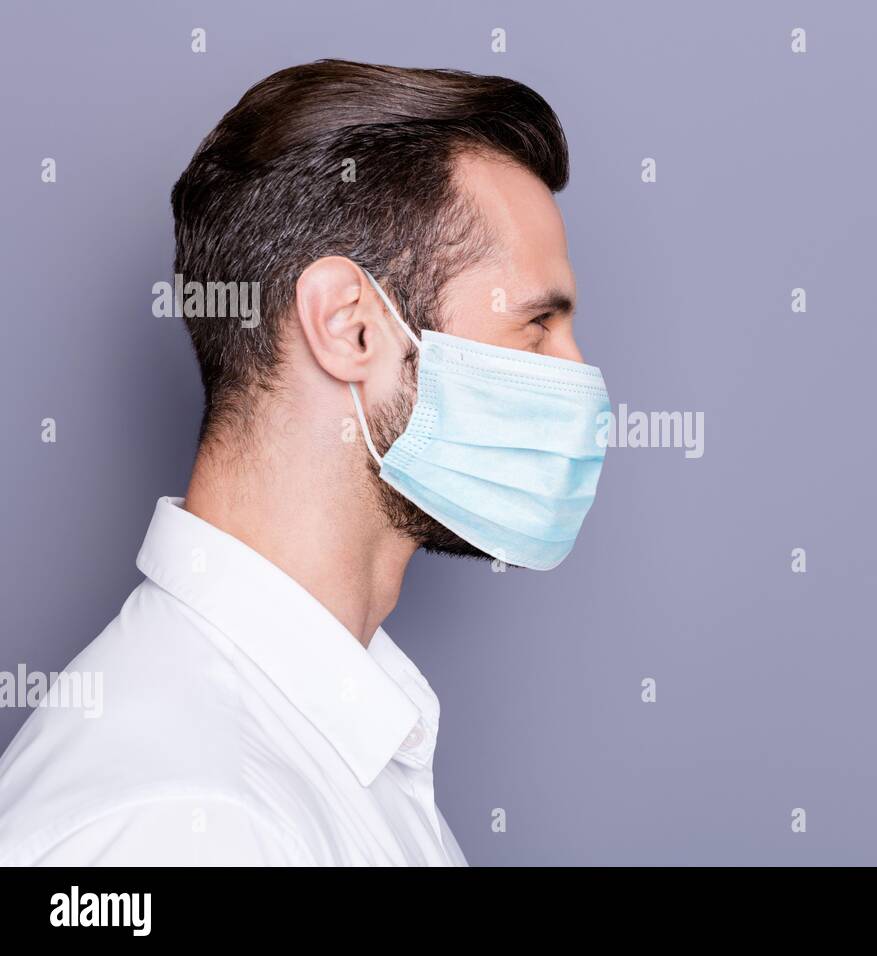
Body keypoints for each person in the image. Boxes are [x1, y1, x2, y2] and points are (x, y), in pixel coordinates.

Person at [0, 60, 609, 865]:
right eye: (537, 326)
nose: (578, 378)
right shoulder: (183, 820)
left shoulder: (323, 731)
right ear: (351, 328)